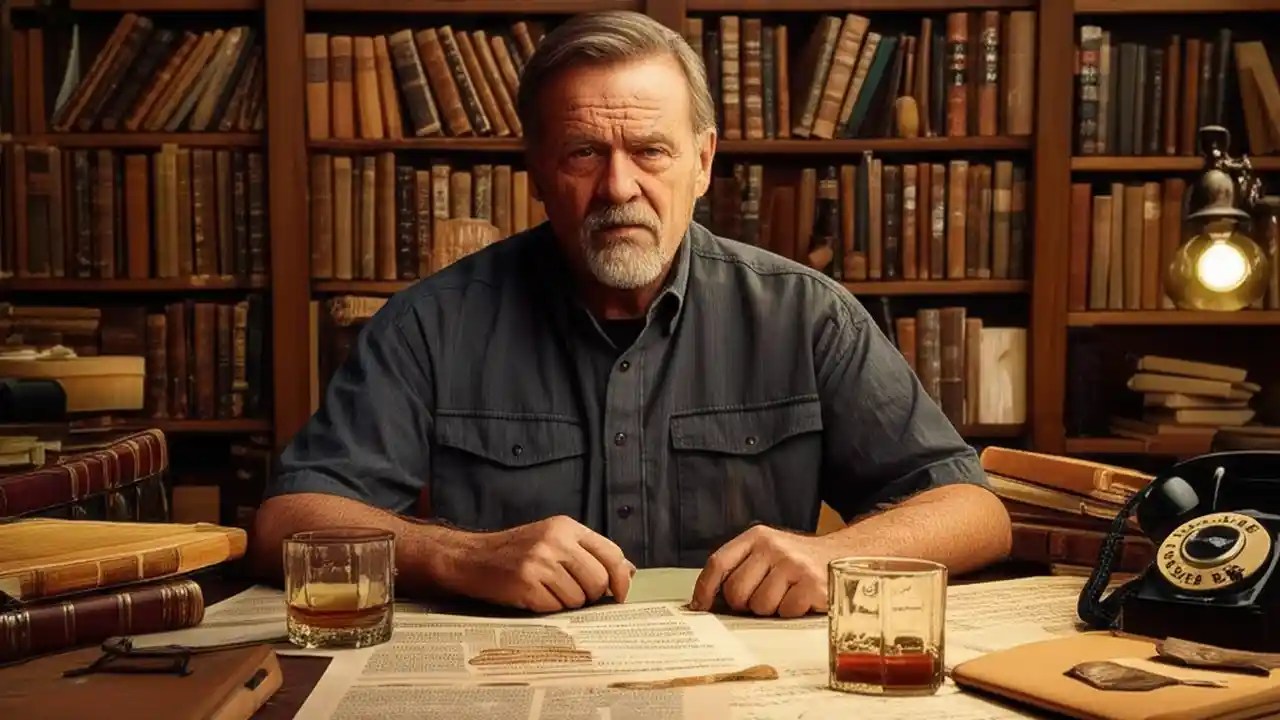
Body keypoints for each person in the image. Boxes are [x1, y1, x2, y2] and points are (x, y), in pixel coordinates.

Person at [251, 10, 1011, 618]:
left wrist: (832, 556)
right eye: (584, 153)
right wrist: (459, 556)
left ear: (704, 161)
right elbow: (287, 521)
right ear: (538, 171)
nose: (619, 187)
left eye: (651, 151)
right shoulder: (432, 324)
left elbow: (975, 511)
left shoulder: (803, 314)